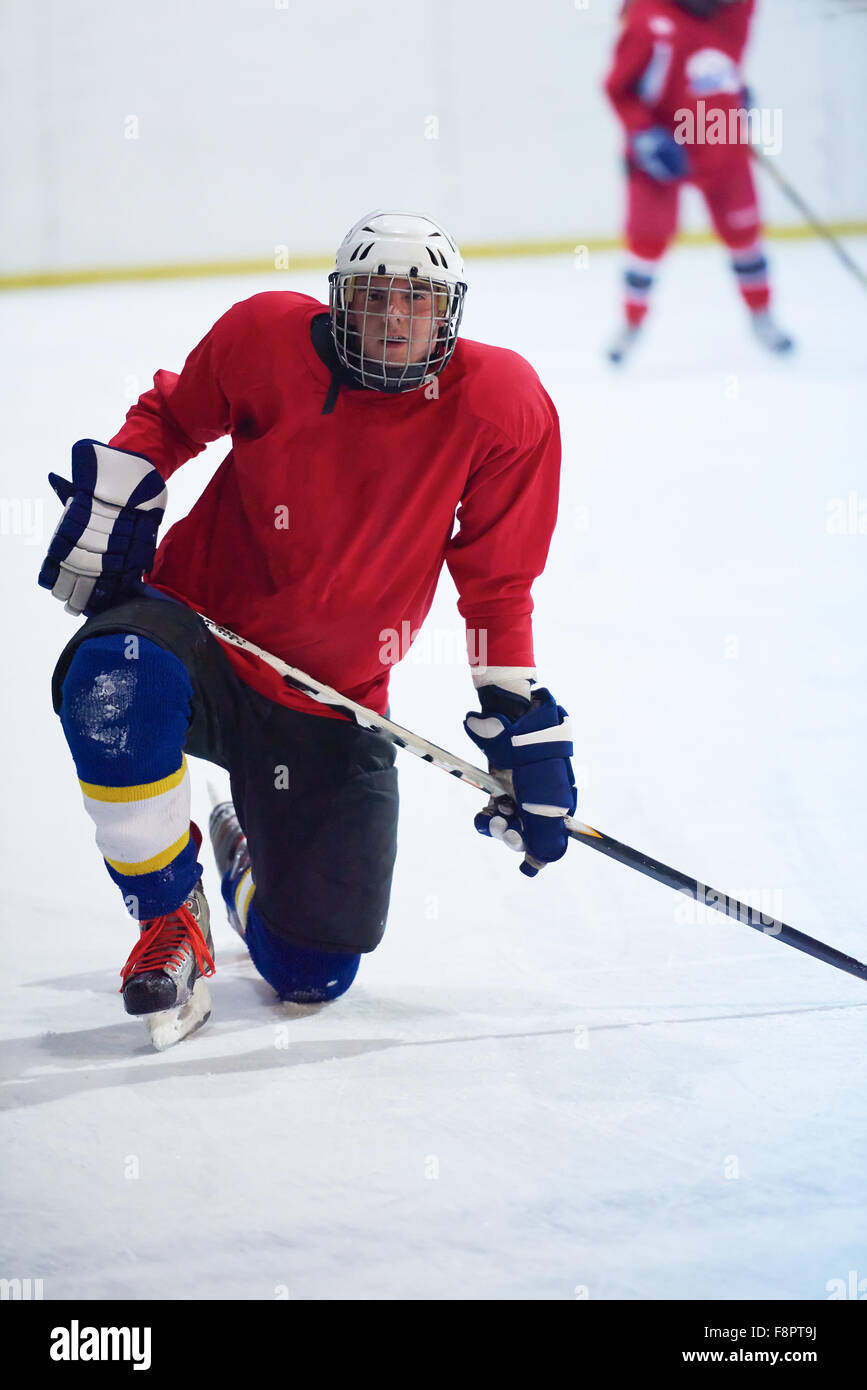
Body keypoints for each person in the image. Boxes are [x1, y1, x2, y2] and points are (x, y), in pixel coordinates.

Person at [38, 211, 577, 1049]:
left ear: (450, 313)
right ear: (340, 303)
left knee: (311, 971)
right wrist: (124, 484)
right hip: (195, 631)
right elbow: (173, 418)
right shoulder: (265, 337)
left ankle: (241, 859)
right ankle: (168, 915)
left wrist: (517, 721)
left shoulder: (502, 404)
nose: (396, 321)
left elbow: (498, 584)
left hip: (331, 697)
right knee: (115, 677)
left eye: (418, 303)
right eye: (375, 298)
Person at [604, 0, 793, 362]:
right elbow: (618, 87)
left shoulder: (737, 11)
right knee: (647, 240)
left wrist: (731, 94)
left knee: (744, 234)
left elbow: (721, 62)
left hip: (721, 140)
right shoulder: (649, 18)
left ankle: (763, 316)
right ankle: (630, 324)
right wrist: (642, 133)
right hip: (661, 150)